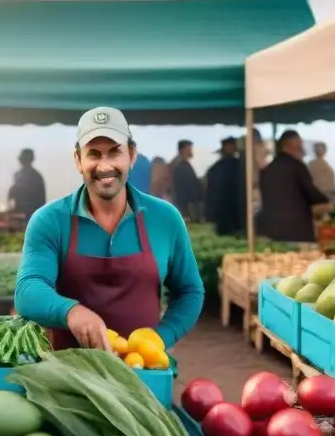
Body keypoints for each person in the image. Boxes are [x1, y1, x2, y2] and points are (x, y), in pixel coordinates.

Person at [15, 107, 204, 352]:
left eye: (115, 153)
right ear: (78, 160)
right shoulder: (50, 221)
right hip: (68, 373)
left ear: (132, 155)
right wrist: (71, 312)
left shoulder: (165, 219)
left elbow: (190, 291)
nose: (105, 166)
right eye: (94, 154)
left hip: (143, 373)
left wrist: (160, 339)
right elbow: (28, 289)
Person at [257, 130, 329, 243]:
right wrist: (325, 200)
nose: (301, 150)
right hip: (297, 230)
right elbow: (310, 192)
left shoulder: (266, 170)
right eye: (298, 146)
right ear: (287, 145)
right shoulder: (297, 167)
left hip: (271, 230)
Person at [205, 136, 246, 236]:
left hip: (221, 216)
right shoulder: (240, 166)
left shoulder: (214, 169)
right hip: (237, 215)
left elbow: (209, 193)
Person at [7, 148, 46, 218]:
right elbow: (12, 195)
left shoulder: (36, 177)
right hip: (19, 211)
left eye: (25, 158)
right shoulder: (17, 174)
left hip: (30, 212)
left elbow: (40, 200)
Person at [170, 139, 202, 220]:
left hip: (188, 203)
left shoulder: (184, 163)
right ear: (183, 150)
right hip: (184, 204)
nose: (190, 151)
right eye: (189, 149)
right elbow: (180, 186)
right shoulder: (178, 164)